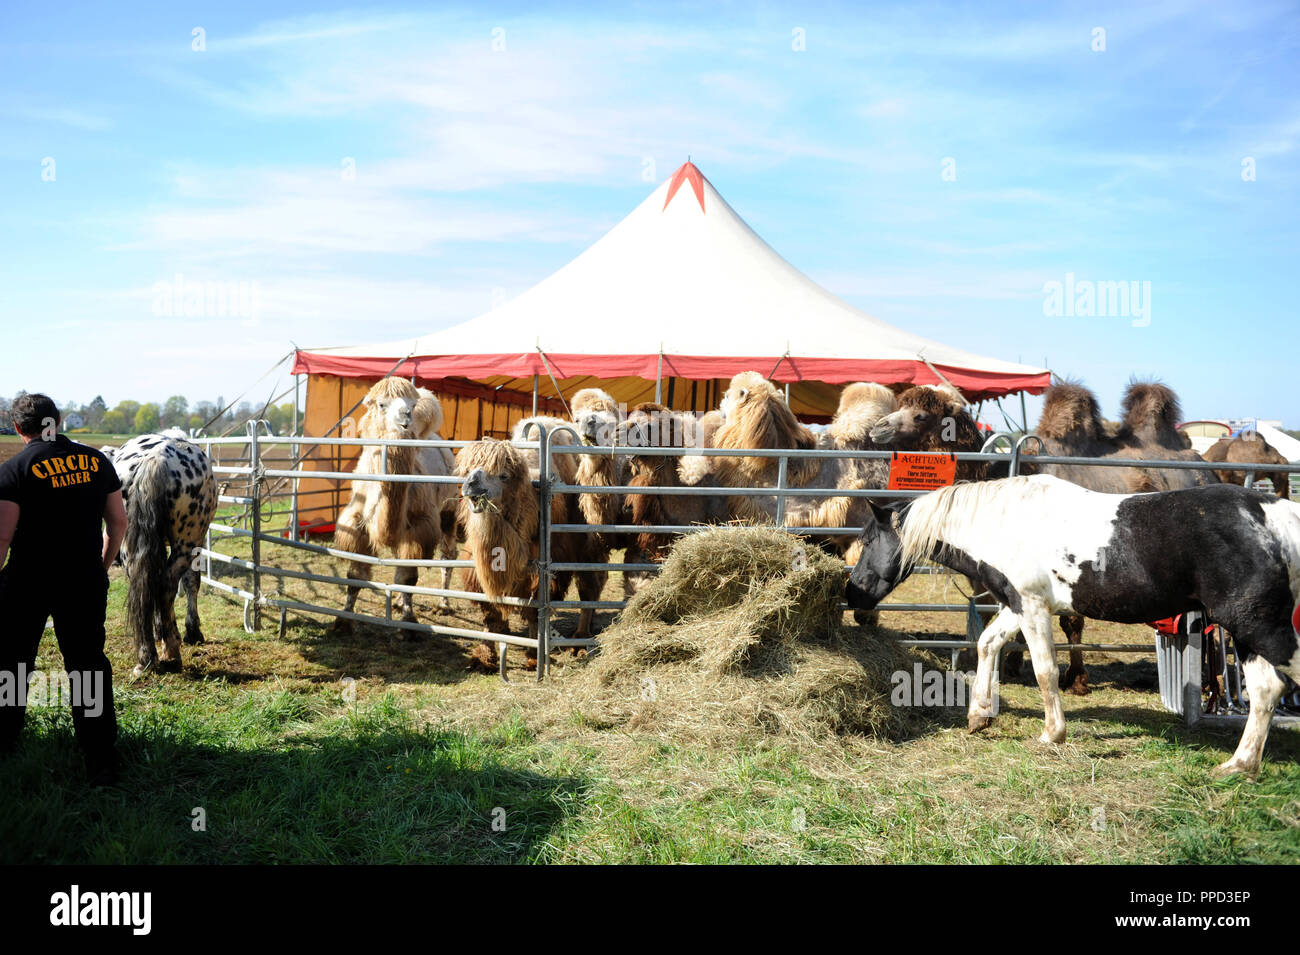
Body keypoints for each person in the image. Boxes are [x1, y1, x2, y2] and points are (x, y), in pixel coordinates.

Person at [0, 393, 127, 786]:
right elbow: (118, 523)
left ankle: (5, 739)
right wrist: (100, 568)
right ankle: (100, 759)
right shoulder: (97, 461)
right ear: (57, 421)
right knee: (87, 664)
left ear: (19, 429)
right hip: (83, 580)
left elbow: (1, 541)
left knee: (13, 662)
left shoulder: (15, 469)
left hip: (27, 582)